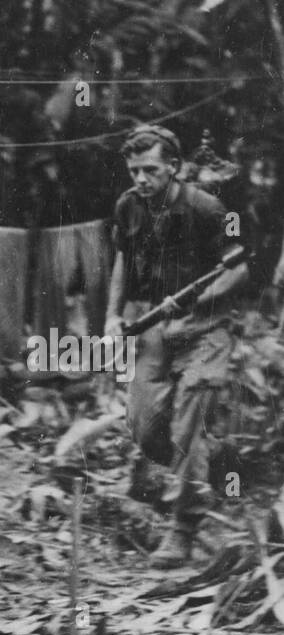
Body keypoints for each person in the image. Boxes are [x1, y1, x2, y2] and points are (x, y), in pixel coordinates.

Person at [105, 124, 246, 568]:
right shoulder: (128, 206)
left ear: (174, 167)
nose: (141, 179)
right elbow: (123, 263)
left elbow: (238, 268)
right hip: (155, 327)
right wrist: (113, 315)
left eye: (150, 170)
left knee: (187, 425)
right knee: (144, 427)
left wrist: (196, 304)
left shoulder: (207, 207)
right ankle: (217, 459)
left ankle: (183, 529)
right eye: (134, 170)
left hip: (205, 328)